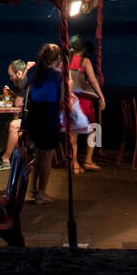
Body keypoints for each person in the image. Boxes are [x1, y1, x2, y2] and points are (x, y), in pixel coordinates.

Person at [24, 43, 64, 204]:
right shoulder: (58, 74)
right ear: (57, 58)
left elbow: (21, 85)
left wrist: (27, 69)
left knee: (38, 154)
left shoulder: (34, 71)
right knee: (48, 156)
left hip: (35, 115)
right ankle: (41, 193)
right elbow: (62, 97)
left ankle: (33, 188)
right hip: (49, 115)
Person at [67, 36, 106, 173]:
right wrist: (101, 97)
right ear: (83, 48)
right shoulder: (85, 61)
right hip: (83, 100)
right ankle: (88, 160)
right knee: (94, 129)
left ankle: (75, 163)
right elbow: (93, 81)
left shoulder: (65, 60)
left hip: (69, 100)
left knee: (73, 133)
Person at [0, 59, 31, 172]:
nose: (10, 78)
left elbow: (19, 103)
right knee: (8, 125)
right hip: (31, 116)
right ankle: (17, 157)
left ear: (19, 73)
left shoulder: (27, 82)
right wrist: (12, 95)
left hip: (36, 119)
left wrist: (12, 97)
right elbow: (21, 100)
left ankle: (5, 159)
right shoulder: (25, 83)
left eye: (11, 75)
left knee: (13, 125)